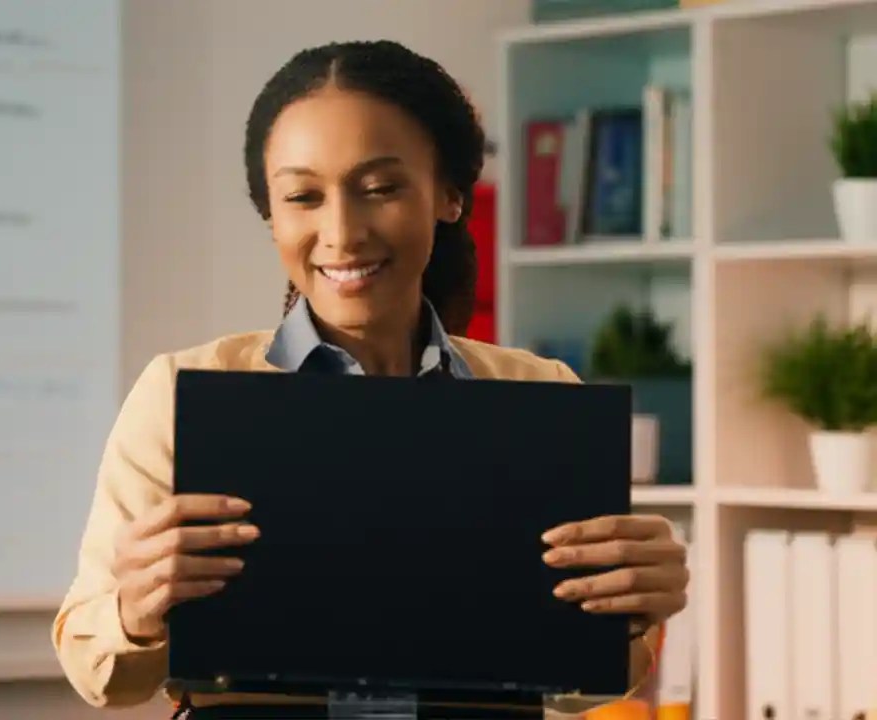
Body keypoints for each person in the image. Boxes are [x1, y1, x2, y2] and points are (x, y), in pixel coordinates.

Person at [52, 39, 689, 717]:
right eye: (302, 196)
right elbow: (103, 677)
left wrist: (633, 609)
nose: (342, 232)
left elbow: (585, 688)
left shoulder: (543, 395)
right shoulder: (181, 390)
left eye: (380, 188)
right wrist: (135, 607)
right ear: (271, 214)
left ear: (447, 194)